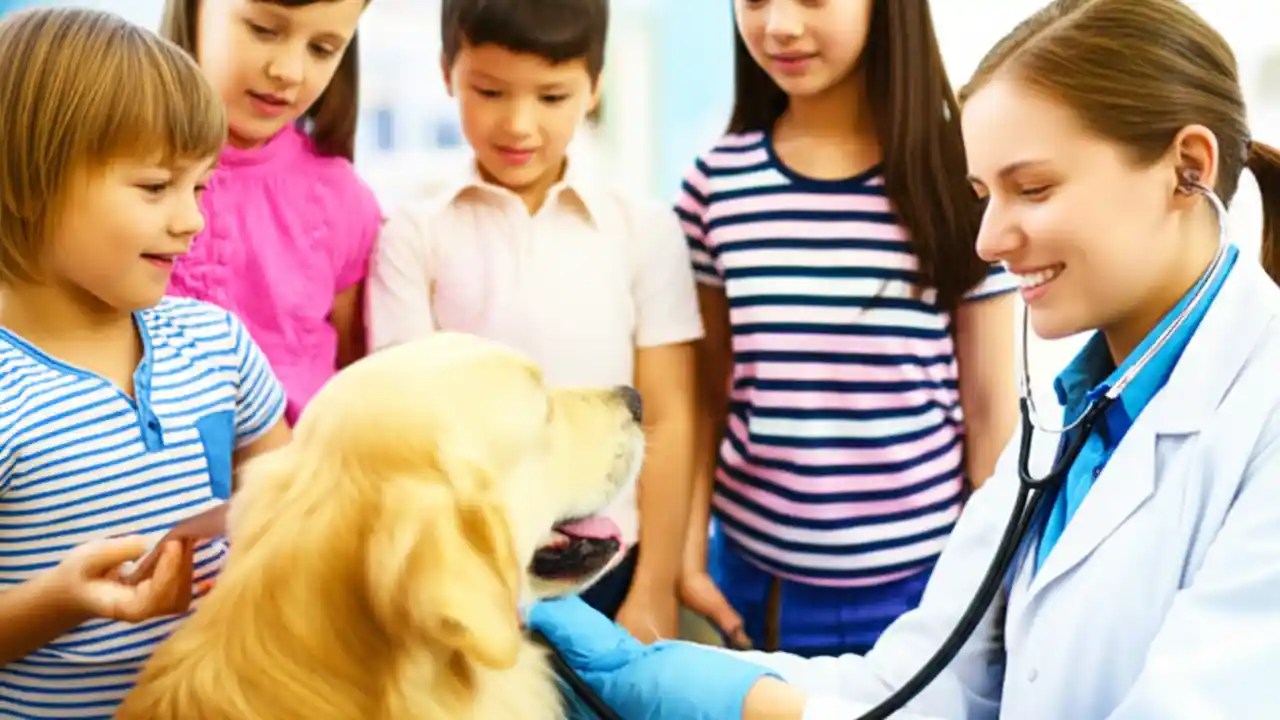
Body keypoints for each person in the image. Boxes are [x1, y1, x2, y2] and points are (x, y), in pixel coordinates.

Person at [524, 0, 1280, 718]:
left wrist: (738, 704)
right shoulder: (1073, 422)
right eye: (984, 194)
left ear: (1188, 166)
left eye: (1034, 188)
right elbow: (914, 688)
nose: (986, 241)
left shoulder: (1259, 415)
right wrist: (686, 681)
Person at [677, 0, 1017, 657]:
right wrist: (687, 562)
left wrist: (992, 586)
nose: (778, 25)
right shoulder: (716, 185)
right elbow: (702, 399)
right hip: (756, 589)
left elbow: (990, 413)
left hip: (927, 589)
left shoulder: (956, 179)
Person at [365, 0, 704, 643]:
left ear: (595, 86)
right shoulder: (414, 232)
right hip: (472, 567)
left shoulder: (643, 228)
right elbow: (406, 426)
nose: (519, 124)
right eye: (489, 91)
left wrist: (655, 586)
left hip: (610, 562)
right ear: (447, 72)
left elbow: (668, 414)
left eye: (552, 96)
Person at [0, 8, 290, 718]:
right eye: (156, 186)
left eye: (200, 186)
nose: (191, 218)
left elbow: (290, 491)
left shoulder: (216, 342)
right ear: (28, 183)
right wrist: (60, 602)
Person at [159, 0, 382, 424]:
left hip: (301, 473)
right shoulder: (116, 171)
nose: (290, 71)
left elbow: (357, 371)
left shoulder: (343, 199)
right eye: (264, 30)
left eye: (322, 48)